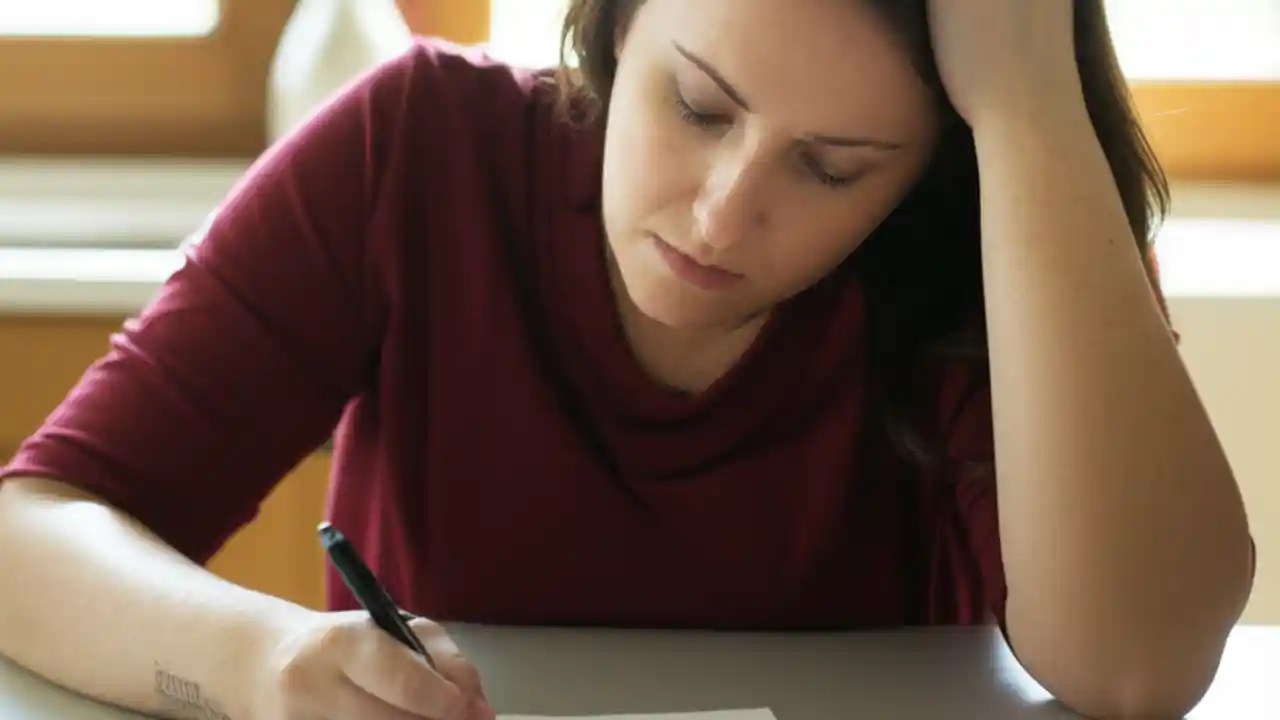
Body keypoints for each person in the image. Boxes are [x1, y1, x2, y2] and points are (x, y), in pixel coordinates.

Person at [0, 1, 1257, 719]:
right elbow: (31, 535)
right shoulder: (416, 150)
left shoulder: (1004, 226)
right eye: (696, 107)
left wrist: (1031, 105)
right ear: (611, 27)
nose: (719, 217)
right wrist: (256, 661)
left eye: (830, 169)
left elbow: (1135, 668)